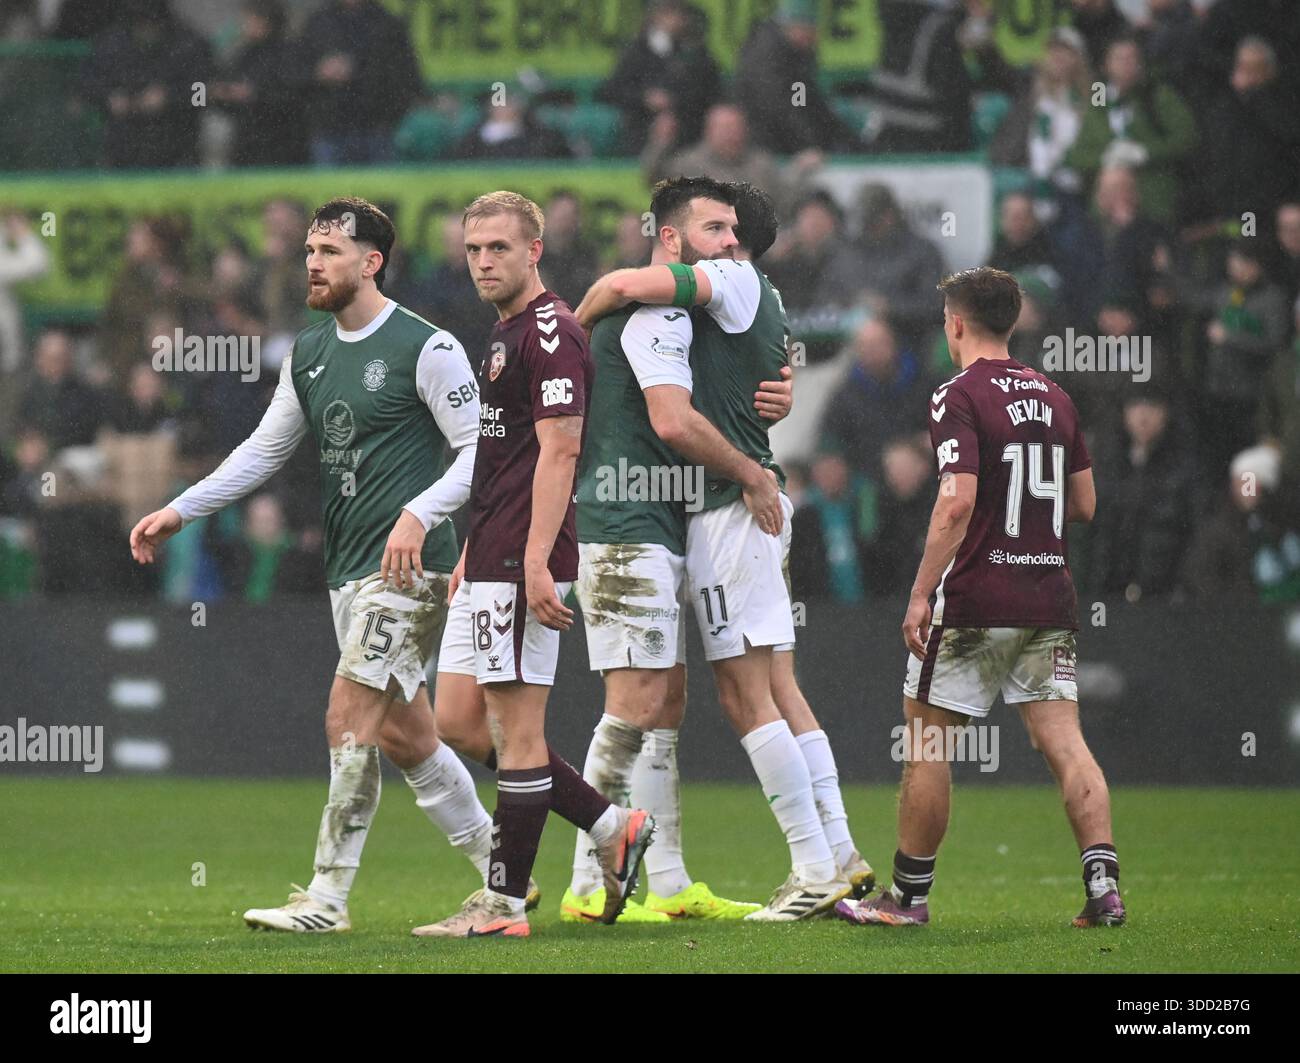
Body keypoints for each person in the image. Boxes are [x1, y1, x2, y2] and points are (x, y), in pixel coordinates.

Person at [129, 197, 500, 934]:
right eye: (309, 250)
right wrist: (183, 508)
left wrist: (419, 513)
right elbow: (264, 450)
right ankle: (512, 863)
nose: (313, 263)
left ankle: (327, 897)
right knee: (407, 737)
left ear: (371, 262)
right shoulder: (309, 351)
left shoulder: (427, 347)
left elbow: (480, 452)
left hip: (411, 569)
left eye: (330, 251)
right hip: (348, 568)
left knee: (348, 716)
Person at [576, 177, 872, 920]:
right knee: (777, 690)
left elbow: (622, 287)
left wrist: (573, 330)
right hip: (735, 504)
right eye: (716, 228)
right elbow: (751, 381)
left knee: (746, 696)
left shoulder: (725, 284)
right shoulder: (749, 299)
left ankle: (813, 867)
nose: (728, 242)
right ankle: (838, 854)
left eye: (733, 231)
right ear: (676, 235)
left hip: (732, 507)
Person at [835, 267, 1124, 929]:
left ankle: (908, 899)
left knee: (928, 740)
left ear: (957, 323)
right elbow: (1084, 503)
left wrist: (920, 593)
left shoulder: (956, 394)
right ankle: (1105, 890)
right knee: (1065, 742)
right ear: (1012, 322)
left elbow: (956, 500)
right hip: (1047, 597)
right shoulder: (1056, 396)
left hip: (975, 596)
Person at [417, 191, 655, 939]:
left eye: (500, 248)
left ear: (534, 251)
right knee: (458, 721)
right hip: (490, 549)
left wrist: (533, 560)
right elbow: (504, 454)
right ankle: (612, 824)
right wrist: (471, 547)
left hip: (524, 556)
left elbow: (560, 450)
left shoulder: (552, 333)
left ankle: (503, 904)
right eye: (474, 249)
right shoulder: (504, 332)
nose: (484, 261)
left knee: (517, 732)